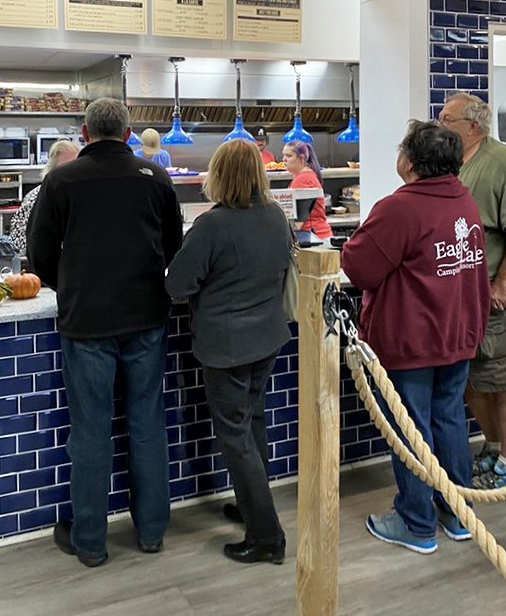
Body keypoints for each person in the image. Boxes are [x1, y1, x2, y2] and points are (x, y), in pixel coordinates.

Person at [27, 98, 182, 568]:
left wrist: (73, 284)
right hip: (146, 320)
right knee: (147, 424)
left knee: (91, 430)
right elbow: (173, 244)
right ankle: (152, 532)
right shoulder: (155, 178)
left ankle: (90, 541)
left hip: (87, 322)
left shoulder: (61, 180)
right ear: (129, 131)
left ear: (84, 131)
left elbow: (39, 256)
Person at [341, 120, 491, 554]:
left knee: (411, 429)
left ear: (409, 160)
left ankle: (416, 522)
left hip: (413, 340)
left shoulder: (401, 207)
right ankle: (458, 514)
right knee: (448, 421)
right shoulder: (463, 199)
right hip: (457, 332)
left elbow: (359, 267)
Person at [165, 139, 292, 565]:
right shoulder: (276, 216)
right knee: (252, 425)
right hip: (267, 338)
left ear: (218, 176)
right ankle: (252, 506)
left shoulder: (212, 225)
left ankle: (266, 536)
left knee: (235, 437)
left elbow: (177, 286)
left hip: (228, 345)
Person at [439, 92, 506, 489]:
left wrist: (505, 281)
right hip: (474, 293)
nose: (439, 124)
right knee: (477, 377)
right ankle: (494, 448)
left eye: (447, 119)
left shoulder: (504, 164)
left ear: (473, 127)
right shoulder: (456, 164)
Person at [9, 139, 79, 255]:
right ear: (53, 170)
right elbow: (19, 236)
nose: (71, 172)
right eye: (66, 168)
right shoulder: (36, 196)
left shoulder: (82, 196)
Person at [282, 140, 332, 239]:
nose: (284, 159)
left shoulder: (303, 179)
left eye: (289, 156)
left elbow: (298, 223)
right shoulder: (304, 176)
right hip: (315, 236)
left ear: (302, 158)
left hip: (314, 237)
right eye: (283, 155)